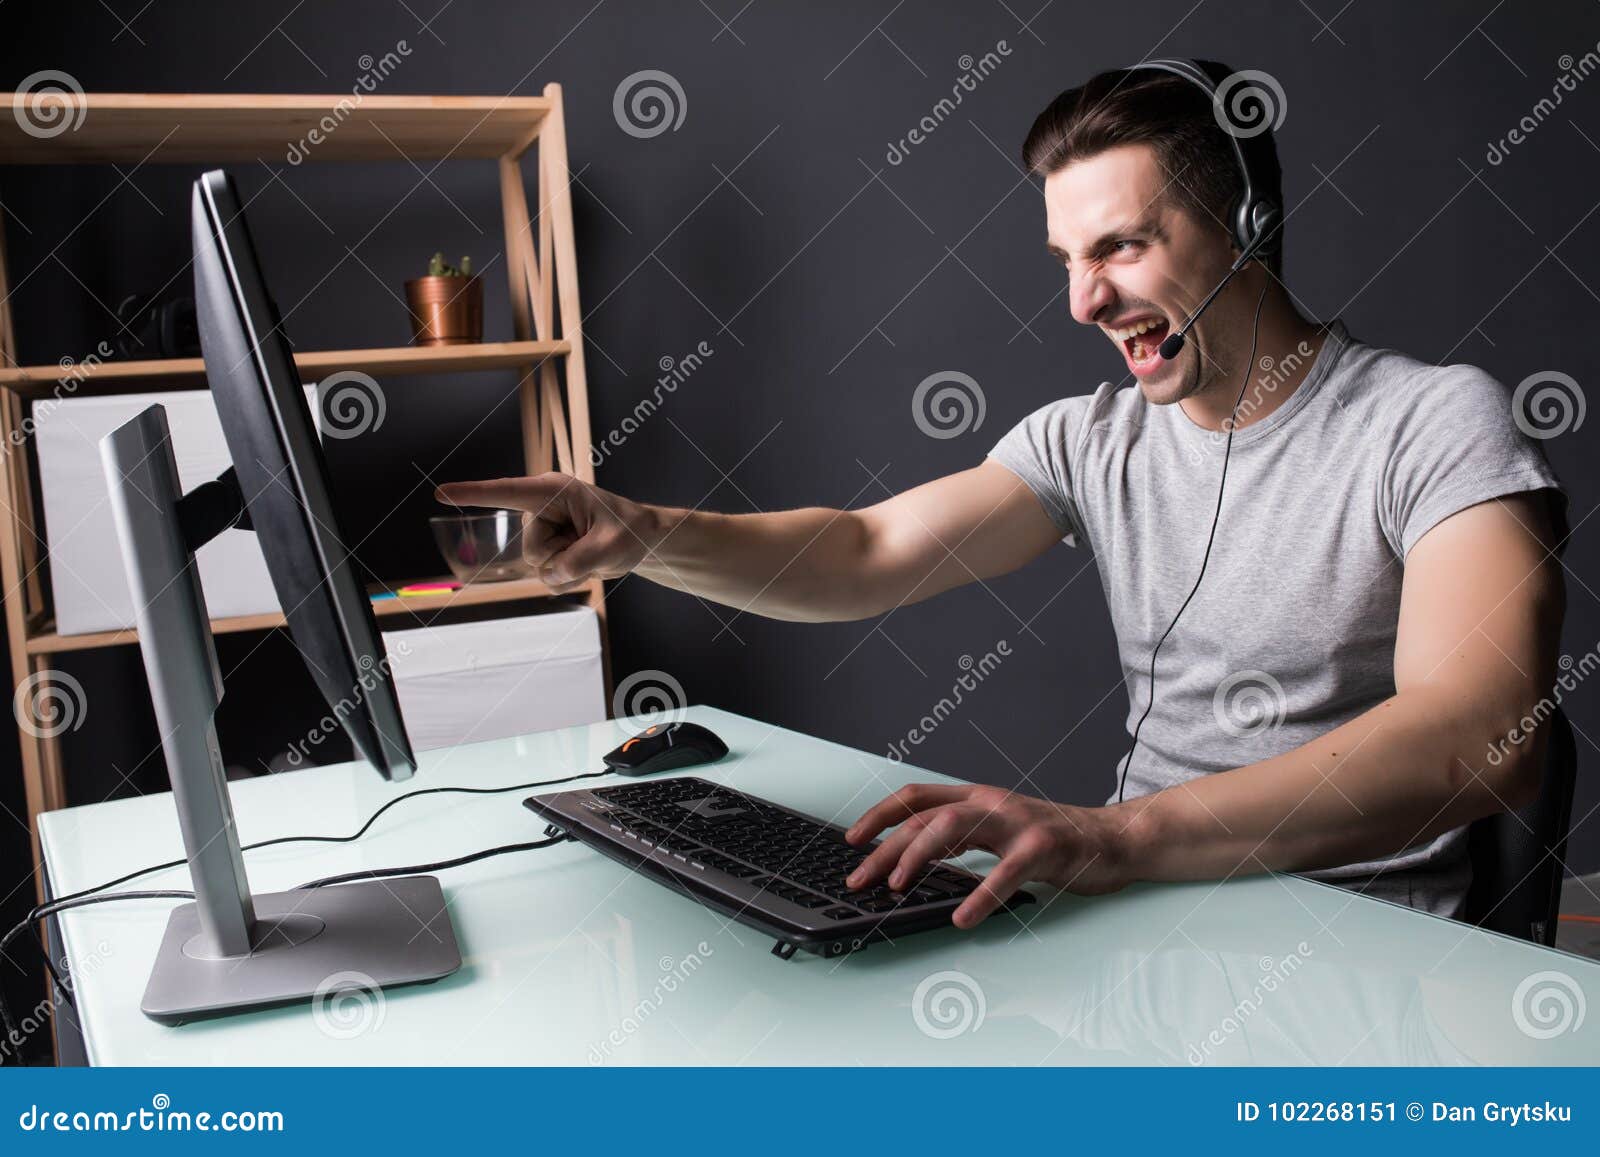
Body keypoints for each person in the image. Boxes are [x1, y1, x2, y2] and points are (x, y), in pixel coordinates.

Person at [439, 63, 1567, 930]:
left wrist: (1112, 837)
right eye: (1066, 258)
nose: (1083, 301)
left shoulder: (1433, 423)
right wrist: (642, 535)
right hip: (1136, 910)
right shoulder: (1093, 439)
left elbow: (1483, 734)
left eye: (1121, 246)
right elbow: (865, 550)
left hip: (1349, 951)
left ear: (1249, 227)